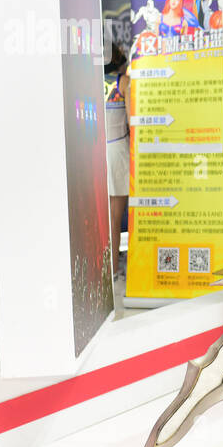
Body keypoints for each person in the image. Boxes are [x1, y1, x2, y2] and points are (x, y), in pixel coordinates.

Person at [104, 44, 131, 279]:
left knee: (98, 215)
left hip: (93, 152)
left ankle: (103, 268)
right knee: (114, 215)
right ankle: (113, 268)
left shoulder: (88, 83)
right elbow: (132, 118)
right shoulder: (122, 82)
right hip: (118, 149)